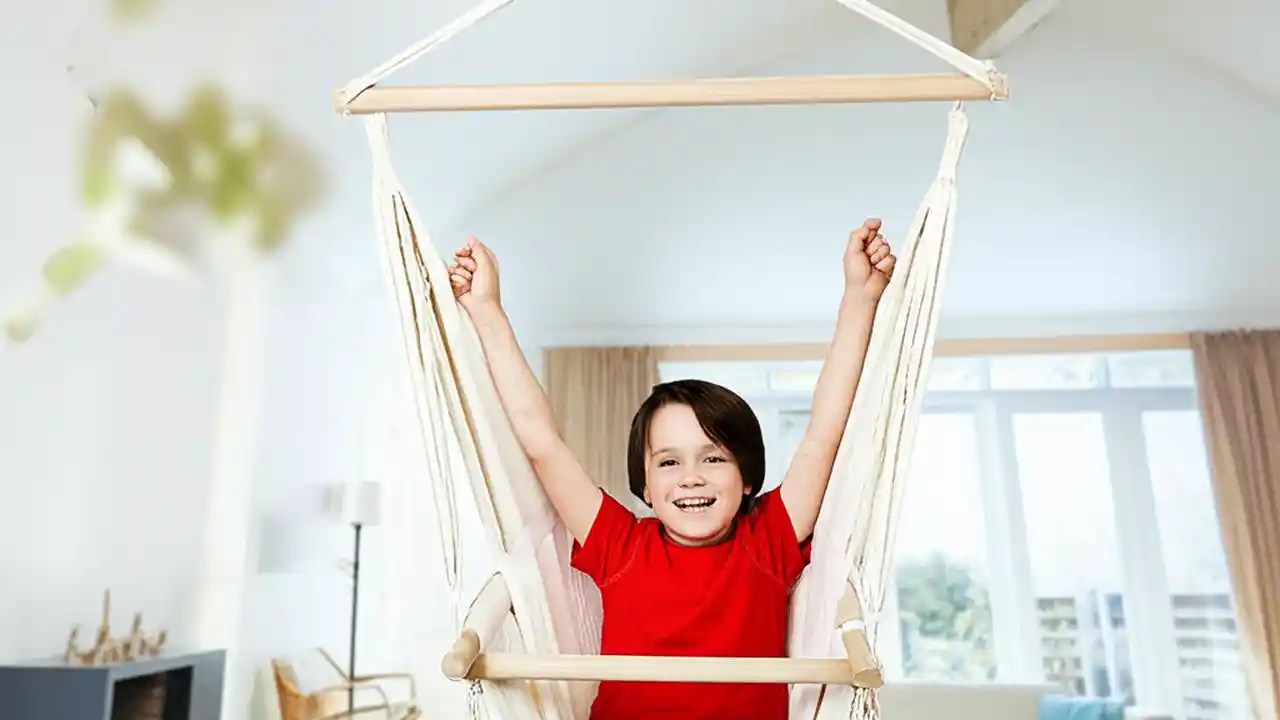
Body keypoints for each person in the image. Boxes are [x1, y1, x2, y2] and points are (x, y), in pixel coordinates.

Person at [447, 218, 895, 720]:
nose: (691, 476)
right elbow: (542, 444)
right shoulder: (620, 545)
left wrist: (860, 298)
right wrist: (487, 310)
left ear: (747, 477)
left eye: (713, 457)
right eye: (669, 462)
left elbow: (825, 434)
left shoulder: (768, 539)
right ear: (646, 486)